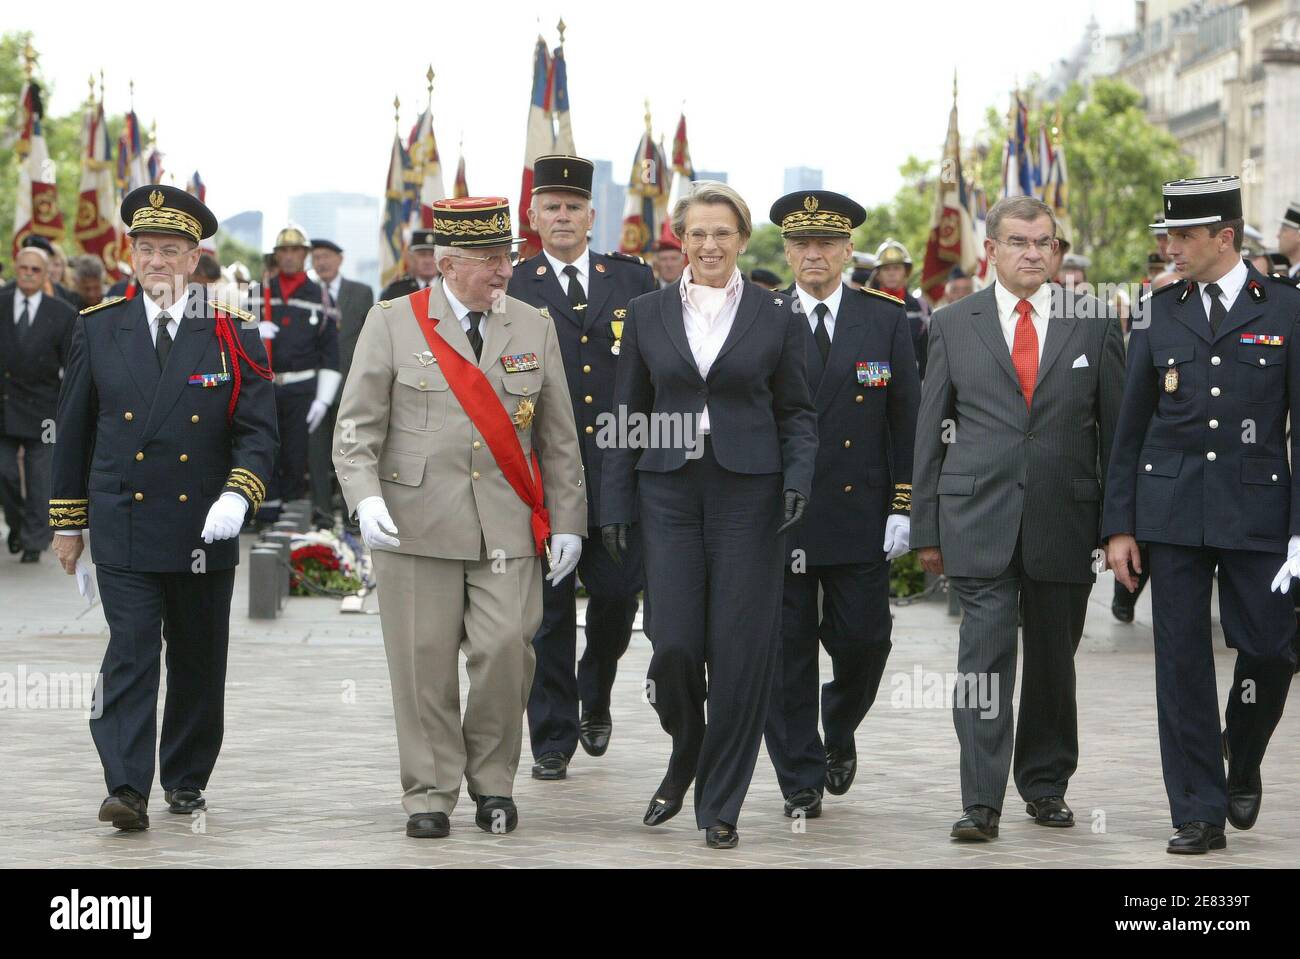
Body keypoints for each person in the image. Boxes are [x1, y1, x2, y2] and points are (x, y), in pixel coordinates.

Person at [334, 196, 587, 839]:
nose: (503, 271)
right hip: (415, 522)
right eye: (488, 260)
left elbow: (558, 436)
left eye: (506, 257)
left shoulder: (532, 324)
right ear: (446, 263)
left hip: (506, 524)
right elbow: (356, 427)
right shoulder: (391, 322)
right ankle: (429, 791)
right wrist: (364, 499)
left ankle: (493, 781)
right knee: (422, 662)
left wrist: (568, 521)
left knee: (508, 647)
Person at [49, 184, 278, 831]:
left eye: (170, 249)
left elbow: (258, 430)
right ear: (130, 254)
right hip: (123, 520)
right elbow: (73, 434)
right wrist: (68, 526)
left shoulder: (229, 328)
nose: (156, 259)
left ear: (193, 257)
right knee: (130, 650)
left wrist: (240, 492)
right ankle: (125, 784)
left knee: (199, 659)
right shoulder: (98, 327)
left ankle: (184, 776)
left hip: (204, 526)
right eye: (145, 248)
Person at [600, 180, 817, 849]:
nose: (709, 244)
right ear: (680, 239)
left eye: (722, 232)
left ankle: (719, 800)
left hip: (749, 494)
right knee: (673, 645)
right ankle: (686, 747)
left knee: (740, 650)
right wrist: (613, 501)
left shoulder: (777, 316)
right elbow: (626, 414)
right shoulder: (646, 313)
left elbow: (799, 412)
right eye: (697, 232)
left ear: (743, 239)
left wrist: (798, 478)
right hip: (666, 493)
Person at [911, 195, 1125, 842]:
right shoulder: (952, 324)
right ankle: (980, 800)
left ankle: (1046, 784)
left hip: (1065, 518)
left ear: (1056, 250)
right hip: (979, 518)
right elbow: (929, 434)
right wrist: (925, 529)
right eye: (1019, 242)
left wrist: (1118, 525)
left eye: (1044, 243)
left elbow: (1115, 436)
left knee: (1054, 666)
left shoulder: (1094, 322)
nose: (1033, 253)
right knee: (984, 662)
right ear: (992, 251)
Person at [1104, 175, 1300, 854]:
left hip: (1260, 510)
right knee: (1181, 663)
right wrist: (1120, 525)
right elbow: (1130, 430)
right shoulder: (1157, 312)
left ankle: (1239, 757)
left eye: (1184, 236)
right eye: (1167, 235)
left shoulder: (1284, 310)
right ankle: (1197, 810)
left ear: (1225, 237)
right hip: (1173, 509)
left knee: (1274, 646)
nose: (1171, 247)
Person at [762, 190, 920, 819]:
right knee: (785, 652)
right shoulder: (763, 315)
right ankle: (799, 774)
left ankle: (840, 722)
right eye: (801, 244)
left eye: (826, 243)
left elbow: (906, 420)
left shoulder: (883, 318)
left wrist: (904, 504)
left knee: (865, 643)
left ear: (849, 250)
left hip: (861, 515)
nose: (813, 254)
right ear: (788, 251)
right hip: (784, 514)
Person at [507, 155, 656, 779]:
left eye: (573, 207)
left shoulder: (632, 279)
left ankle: (596, 685)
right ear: (533, 215)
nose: (562, 216)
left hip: (621, 469)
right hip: (542, 473)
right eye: (551, 207)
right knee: (547, 609)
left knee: (619, 596)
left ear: (593, 216)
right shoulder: (513, 284)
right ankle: (553, 735)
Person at [249, 225, 341, 523]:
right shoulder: (257, 291)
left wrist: (323, 400)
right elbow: (232, 335)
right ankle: (265, 514)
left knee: (296, 456)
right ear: (276, 256)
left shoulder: (321, 296)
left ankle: (291, 516)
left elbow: (330, 351)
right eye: (283, 251)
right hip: (265, 387)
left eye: (295, 251)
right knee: (265, 450)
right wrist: (252, 329)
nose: (289, 257)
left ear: (305, 254)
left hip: (303, 389)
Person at [1, 247, 76, 562]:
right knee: (4, 472)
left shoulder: (61, 313)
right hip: (4, 403)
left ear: (46, 274)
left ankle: (34, 539)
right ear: (16, 269)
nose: (28, 274)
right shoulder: (2, 304)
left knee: (40, 476)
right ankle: (16, 524)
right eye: (23, 268)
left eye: (35, 269)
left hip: (44, 407)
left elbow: (71, 365)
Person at [307, 238, 373, 529]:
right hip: (314, 392)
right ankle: (321, 515)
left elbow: (369, 340)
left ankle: (352, 516)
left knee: (349, 454)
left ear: (340, 259)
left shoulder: (360, 293)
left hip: (350, 388)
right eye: (316, 257)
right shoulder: (307, 293)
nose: (321, 262)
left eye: (326, 256)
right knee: (317, 457)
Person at [871, 238, 928, 379]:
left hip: (912, 382)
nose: (891, 273)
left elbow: (927, 355)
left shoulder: (922, 308)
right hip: (875, 385)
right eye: (886, 268)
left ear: (906, 272)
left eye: (896, 268)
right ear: (878, 274)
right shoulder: (865, 306)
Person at [379, 229, 440, 300]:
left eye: (433, 255)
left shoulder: (451, 288)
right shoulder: (394, 292)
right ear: (411, 258)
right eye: (422, 254)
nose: (428, 261)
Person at [652, 221, 686, 289]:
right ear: (656, 264)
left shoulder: (691, 290)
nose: (669, 265)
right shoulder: (647, 289)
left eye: (674, 259)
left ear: (682, 264)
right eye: (663, 259)